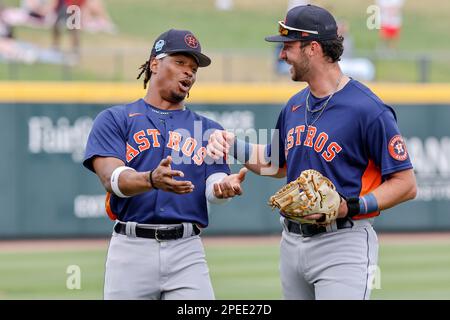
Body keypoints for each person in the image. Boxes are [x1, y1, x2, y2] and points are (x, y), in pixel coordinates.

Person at [206, 4, 417, 300]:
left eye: (288, 46)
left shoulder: (368, 110)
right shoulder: (293, 105)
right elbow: (274, 162)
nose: (281, 55)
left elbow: (406, 184)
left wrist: (351, 206)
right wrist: (232, 144)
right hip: (291, 242)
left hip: (342, 242)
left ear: (313, 48)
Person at [83, 28, 247, 300]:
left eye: (193, 68)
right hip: (130, 250)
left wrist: (223, 188)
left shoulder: (208, 129)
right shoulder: (115, 119)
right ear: (155, 63)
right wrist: (150, 180)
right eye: (180, 62)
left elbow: (212, 185)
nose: (189, 72)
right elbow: (111, 178)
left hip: (187, 251)